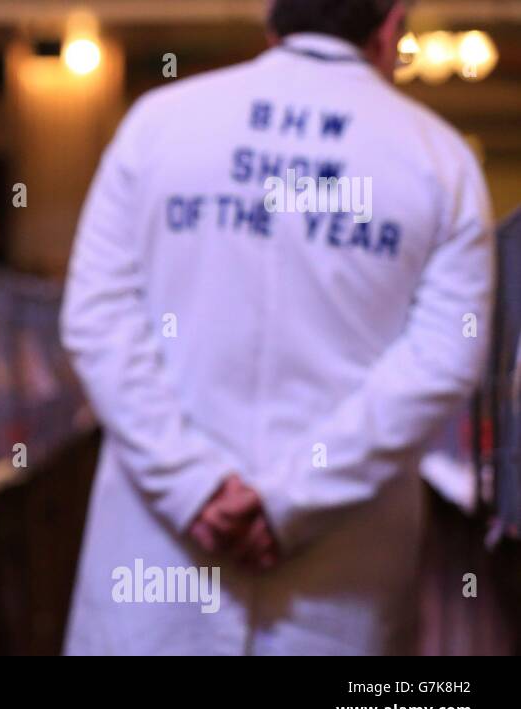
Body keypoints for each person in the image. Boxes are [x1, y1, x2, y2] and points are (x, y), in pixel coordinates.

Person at [60, 0, 496, 654]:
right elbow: (442, 361)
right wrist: (289, 500)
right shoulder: (441, 161)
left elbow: (97, 318)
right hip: (340, 587)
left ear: (272, 17)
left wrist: (195, 485)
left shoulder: (159, 125)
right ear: (391, 26)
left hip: (158, 571)